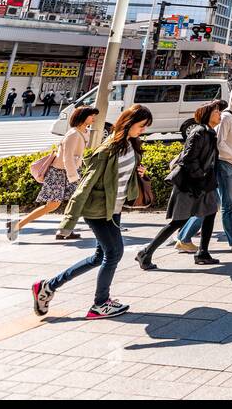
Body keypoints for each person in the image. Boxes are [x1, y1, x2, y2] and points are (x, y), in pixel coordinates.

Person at [33, 106, 152, 319]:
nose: (143, 130)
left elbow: (120, 176)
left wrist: (138, 172)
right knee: (114, 253)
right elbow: (85, 186)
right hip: (97, 210)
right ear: (128, 123)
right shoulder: (107, 150)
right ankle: (100, 303)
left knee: (100, 256)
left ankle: (47, 287)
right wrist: (68, 223)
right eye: (141, 126)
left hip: (112, 209)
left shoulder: (130, 145)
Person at [138, 101, 225, 268]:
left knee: (210, 213)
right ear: (207, 114)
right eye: (216, 112)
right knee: (179, 220)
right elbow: (188, 159)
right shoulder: (199, 132)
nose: (219, 114)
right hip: (191, 185)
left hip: (205, 184)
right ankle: (146, 252)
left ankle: (203, 253)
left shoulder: (210, 132)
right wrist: (201, 176)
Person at [179, 86, 232, 253]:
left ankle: (184, 238)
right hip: (224, 164)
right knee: (230, 205)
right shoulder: (227, 117)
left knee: (212, 204)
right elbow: (219, 144)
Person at [7, 106, 97, 242]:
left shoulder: (84, 131)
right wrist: (74, 177)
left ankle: (64, 230)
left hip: (70, 171)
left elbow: (78, 155)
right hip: (60, 172)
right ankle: (18, 225)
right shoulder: (73, 134)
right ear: (83, 117)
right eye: (92, 116)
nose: (94, 118)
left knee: (76, 201)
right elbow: (67, 157)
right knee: (53, 205)